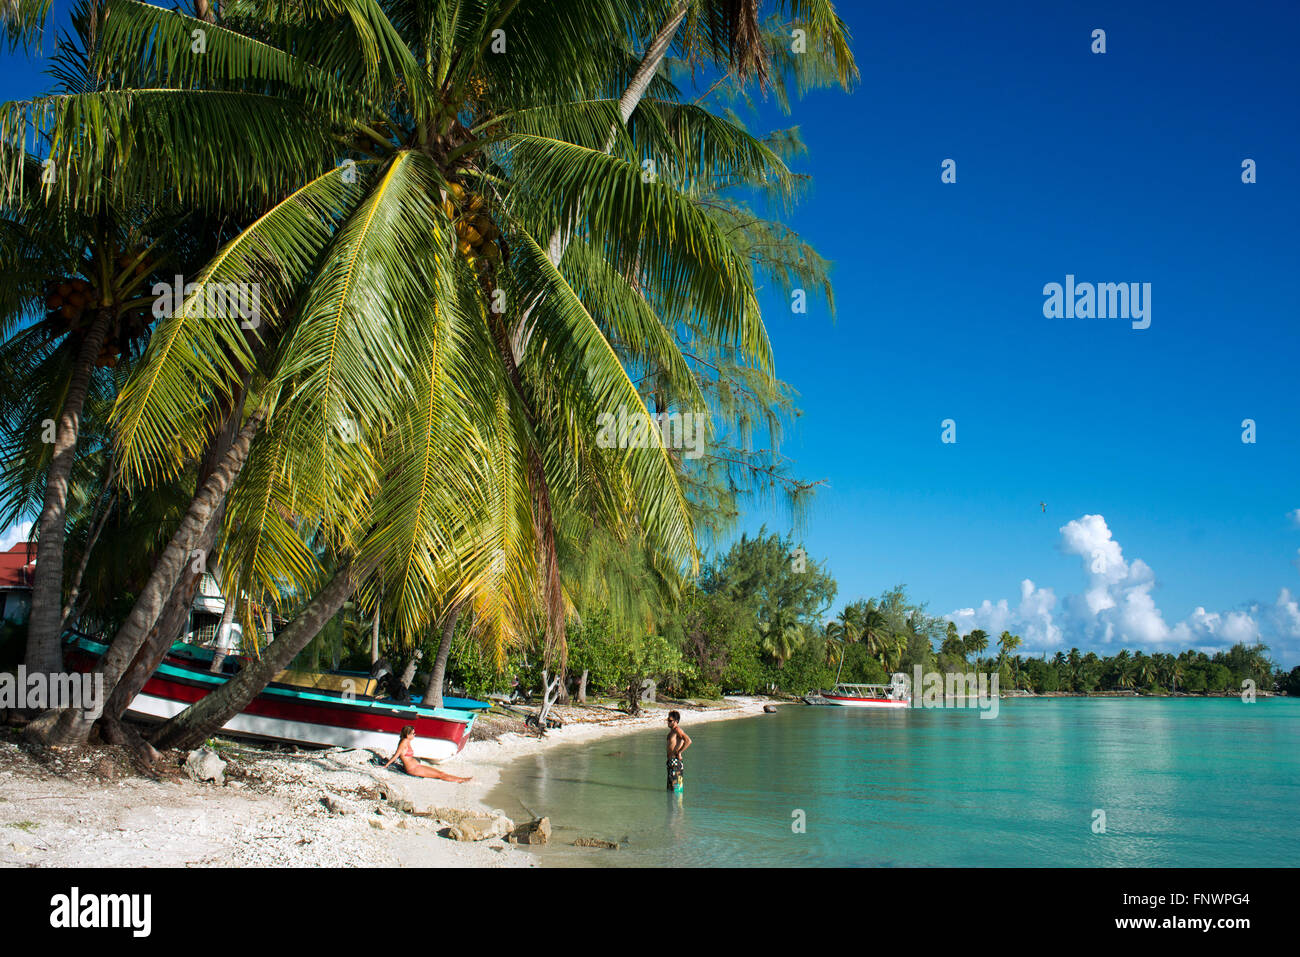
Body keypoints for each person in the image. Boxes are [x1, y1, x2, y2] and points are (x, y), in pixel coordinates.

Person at [383, 726, 472, 783]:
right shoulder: (403, 743)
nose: (415, 734)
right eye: (413, 733)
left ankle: (460, 779)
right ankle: (461, 780)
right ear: (407, 734)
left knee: (441, 773)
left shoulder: (407, 741)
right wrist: (386, 765)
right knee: (440, 775)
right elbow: (396, 755)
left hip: (417, 766)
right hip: (413, 769)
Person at [666, 711, 691, 792]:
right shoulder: (671, 732)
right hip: (671, 762)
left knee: (676, 790)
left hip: (676, 763)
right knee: (670, 790)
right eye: (667, 720)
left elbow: (688, 741)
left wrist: (680, 752)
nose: (668, 722)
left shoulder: (677, 730)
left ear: (676, 721)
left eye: (670, 721)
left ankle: (677, 805)